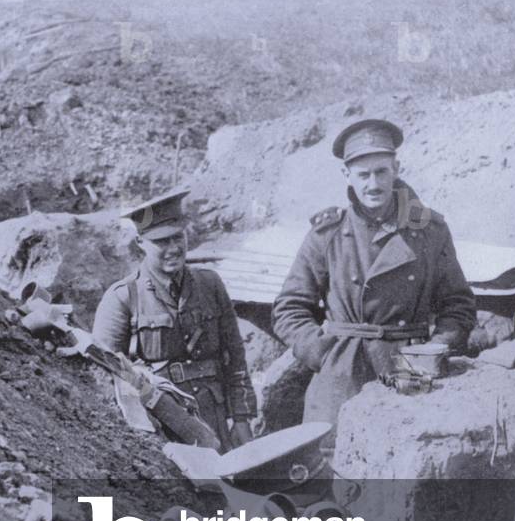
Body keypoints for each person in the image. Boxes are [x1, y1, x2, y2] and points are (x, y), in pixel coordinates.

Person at [272, 119, 476, 437]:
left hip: (410, 372)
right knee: (334, 470)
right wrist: (321, 352)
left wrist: (435, 351)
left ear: (396, 168)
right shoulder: (327, 234)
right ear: (347, 175)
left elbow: (458, 305)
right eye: (363, 174)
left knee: (404, 468)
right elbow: (289, 307)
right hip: (342, 375)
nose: (373, 184)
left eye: (381, 172)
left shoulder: (430, 231)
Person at [93, 190, 257, 451]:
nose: (174, 249)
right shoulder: (122, 298)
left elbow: (235, 356)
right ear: (140, 243)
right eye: (162, 242)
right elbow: (105, 376)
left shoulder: (210, 284)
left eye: (178, 237)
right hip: (163, 428)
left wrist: (241, 417)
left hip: (215, 417)